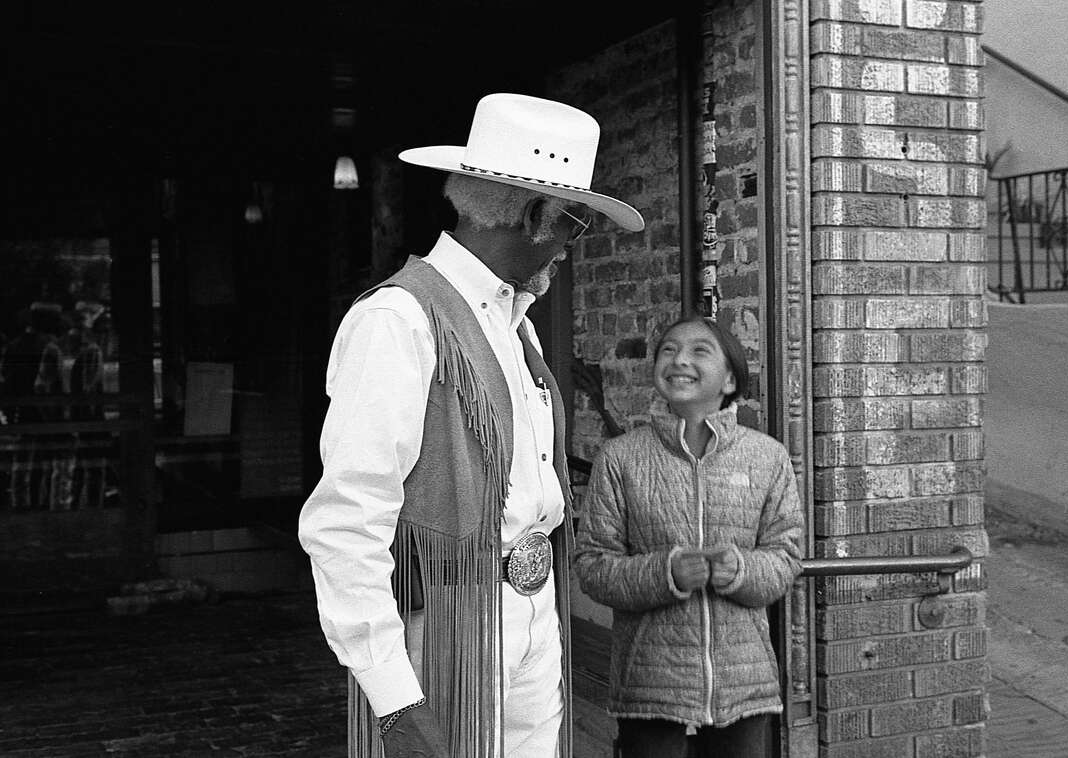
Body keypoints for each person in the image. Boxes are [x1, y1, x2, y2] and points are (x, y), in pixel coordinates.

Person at [298, 93, 644, 758]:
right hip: (447, 627)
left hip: (531, 614)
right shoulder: (397, 320)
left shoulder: (519, 328)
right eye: (575, 223)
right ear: (536, 214)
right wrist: (394, 700)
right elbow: (346, 521)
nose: (575, 244)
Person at [573, 316, 805, 758]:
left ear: (731, 378)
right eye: (668, 350)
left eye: (700, 350)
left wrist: (742, 570)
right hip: (650, 681)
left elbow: (786, 558)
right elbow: (593, 567)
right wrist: (666, 573)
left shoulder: (766, 457)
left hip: (744, 681)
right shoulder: (620, 458)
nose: (680, 359)